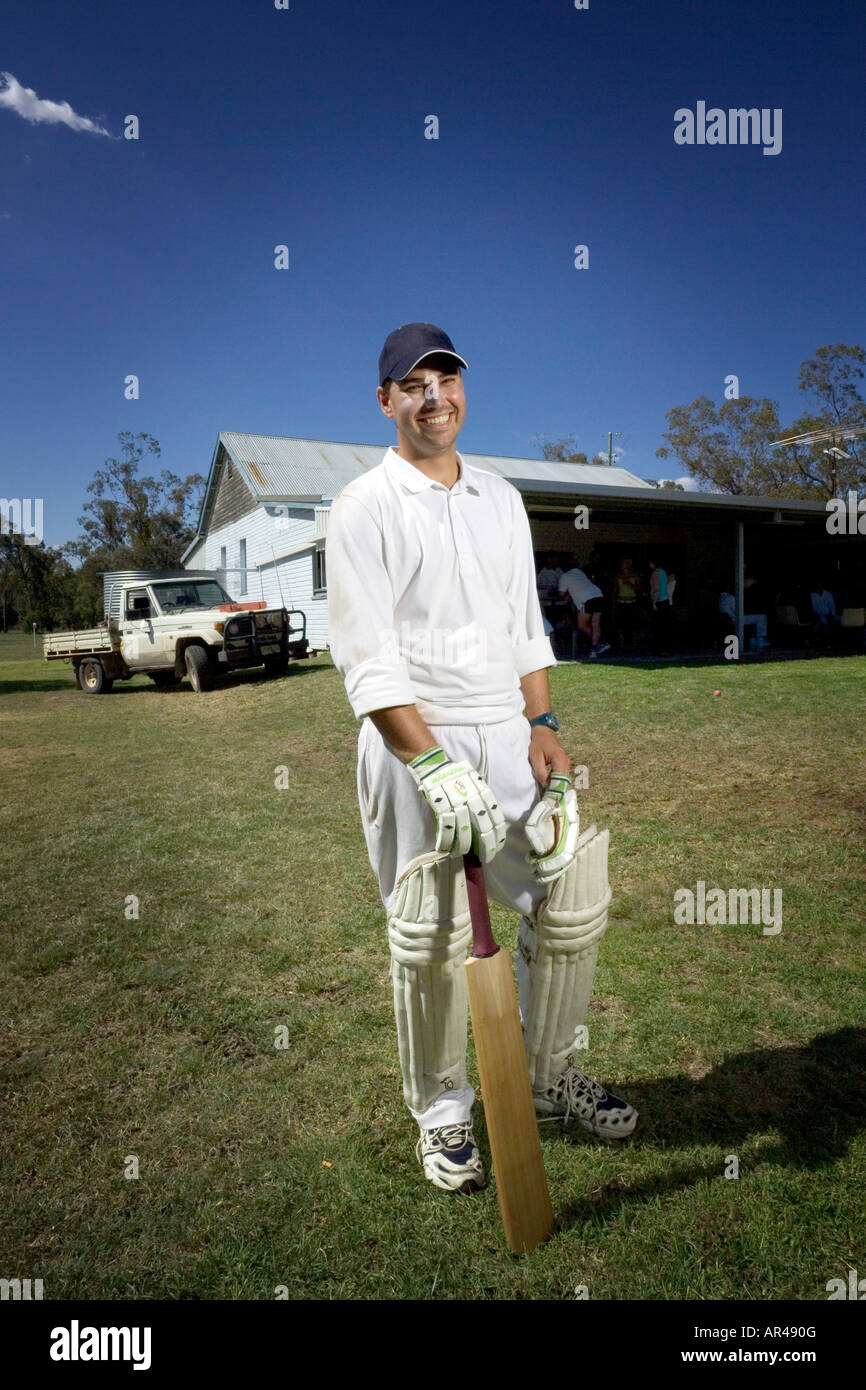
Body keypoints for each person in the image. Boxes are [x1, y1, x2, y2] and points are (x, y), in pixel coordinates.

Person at [326, 323, 637, 1194]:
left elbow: (522, 627)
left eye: (447, 380)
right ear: (386, 402)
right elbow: (368, 655)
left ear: (465, 389)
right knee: (430, 935)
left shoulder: (499, 496)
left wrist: (544, 725)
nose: (435, 398)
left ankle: (548, 1076)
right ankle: (444, 1113)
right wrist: (427, 761)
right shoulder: (364, 506)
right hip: (410, 744)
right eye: (414, 385)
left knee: (561, 905)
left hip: (506, 733)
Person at [558, 559, 611, 659]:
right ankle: (596, 648)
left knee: (581, 625)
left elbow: (561, 594)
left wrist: (569, 595)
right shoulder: (580, 572)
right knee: (595, 624)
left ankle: (599, 643)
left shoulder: (564, 576)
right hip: (598, 595)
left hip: (585, 600)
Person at [613, 557, 641, 653]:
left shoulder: (634, 575)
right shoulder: (618, 576)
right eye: (622, 563)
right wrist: (614, 605)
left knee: (632, 624)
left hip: (631, 602)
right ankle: (622, 645)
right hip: (621, 602)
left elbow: (639, 589)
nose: (623, 565)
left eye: (625, 563)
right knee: (621, 624)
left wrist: (630, 584)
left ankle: (633, 645)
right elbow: (615, 591)